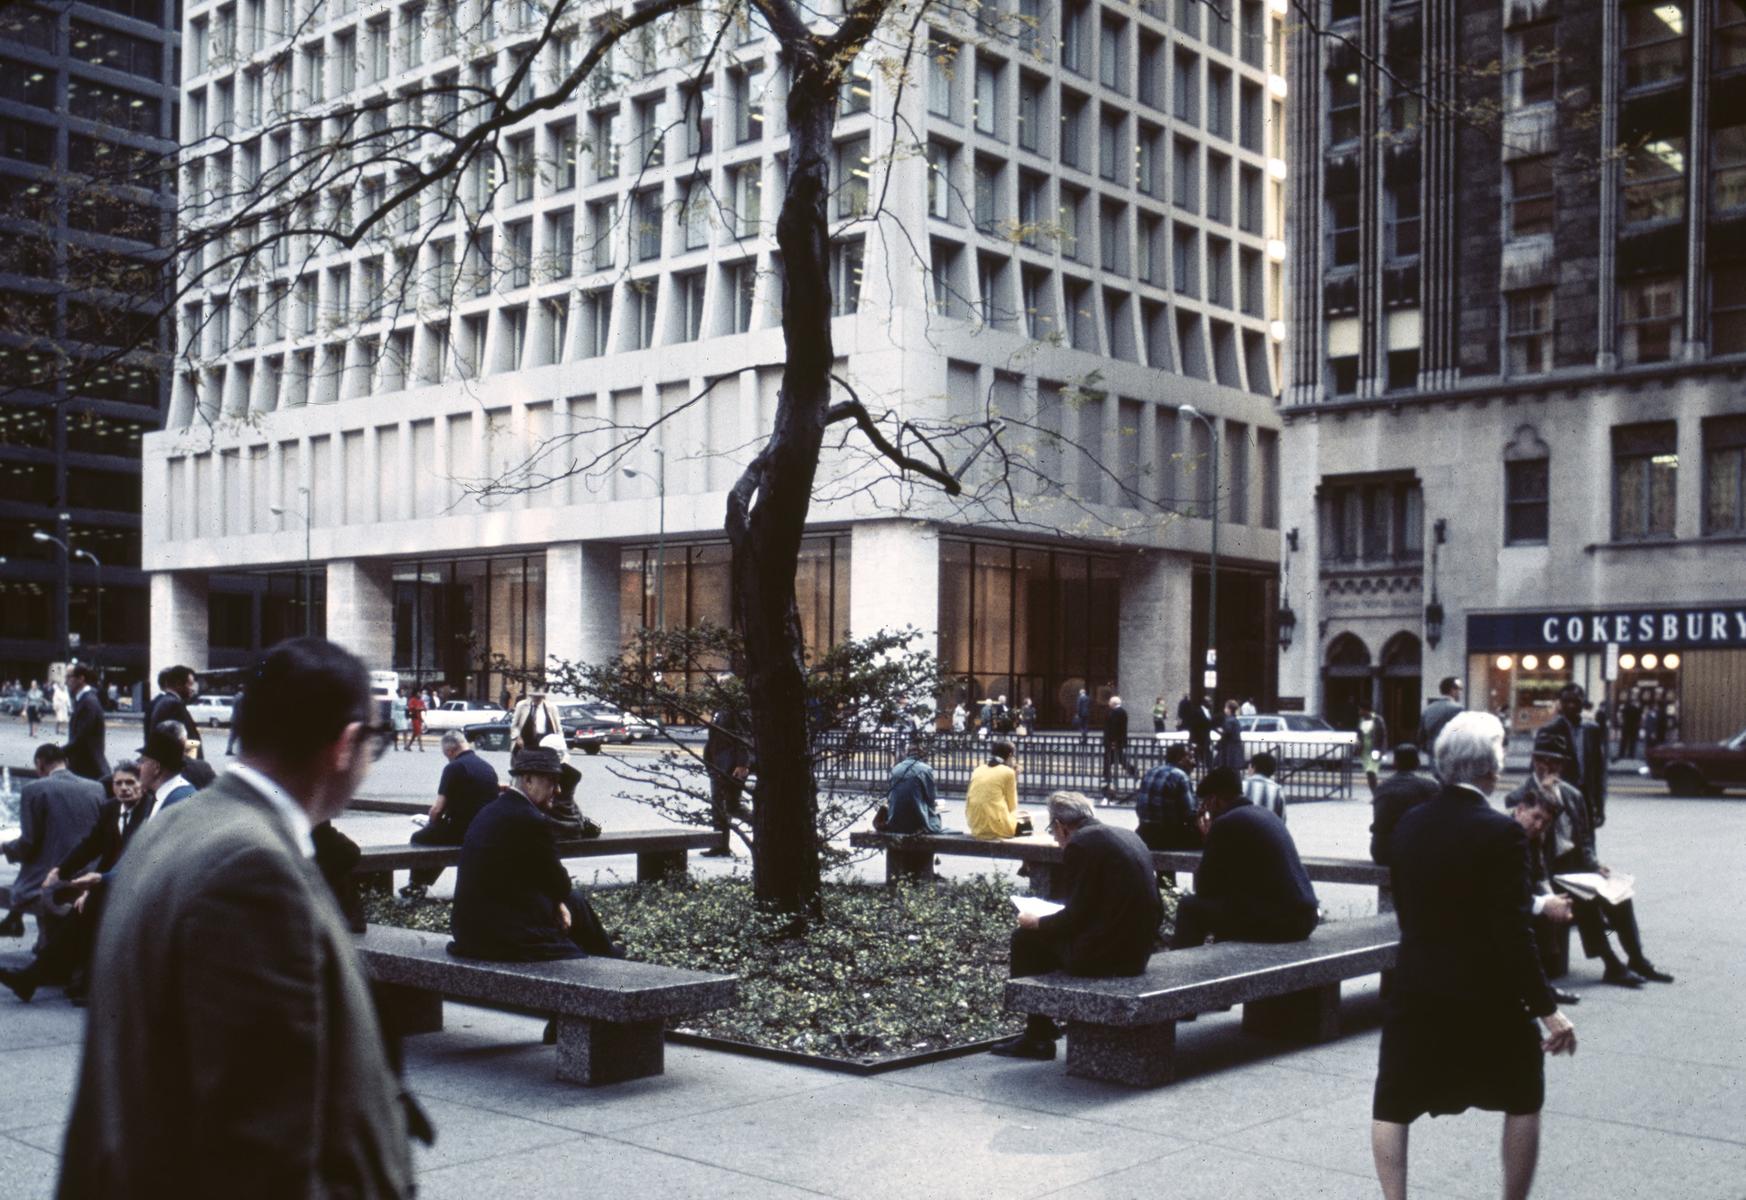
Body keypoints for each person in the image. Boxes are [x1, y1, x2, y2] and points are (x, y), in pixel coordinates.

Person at [58, 636, 422, 1197]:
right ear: (346, 745)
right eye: (377, 742)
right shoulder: (254, 871)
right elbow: (266, 1154)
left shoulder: (181, 827)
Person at [1372, 712, 1576, 1200]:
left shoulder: (1409, 826)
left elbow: (1406, 907)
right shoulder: (1501, 833)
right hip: (1486, 996)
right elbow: (1512, 933)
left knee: (1393, 1101)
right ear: (1490, 770)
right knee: (1523, 1093)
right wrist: (1550, 1012)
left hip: (1417, 986)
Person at [993, 792, 1163, 1059]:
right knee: (1044, 937)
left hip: (1107, 959)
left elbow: (1076, 916)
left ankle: (1037, 1036)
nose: (1054, 837)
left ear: (1061, 825)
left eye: (1052, 830)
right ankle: (1044, 1027)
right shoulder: (1125, 834)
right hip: (1138, 953)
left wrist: (1035, 921)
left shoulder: (1080, 844)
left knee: (1024, 939)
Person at [1508, 726, 1671, 988]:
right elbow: (1529, 839)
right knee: (1584, 902)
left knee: (1619, 896)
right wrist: (1548, 795)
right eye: (1543, 760)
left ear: (1562, 765)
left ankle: (1637, 958)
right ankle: (1611, 964)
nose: (1549, 767)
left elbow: (1584, 839)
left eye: (1556, 762)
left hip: (1574, 864)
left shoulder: (1572, 794)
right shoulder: (1518, 796)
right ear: (1534, 760)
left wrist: (1595, 865)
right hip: (1546, 869)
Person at [449, 747, 621, 965]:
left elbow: (543, 881)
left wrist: (558, 901)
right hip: (502, 937)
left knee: (573, 901)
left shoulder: (493, 809)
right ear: (528, 780)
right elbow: (558, 881)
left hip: (470, 930)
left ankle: (608, 955)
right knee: (578, 956)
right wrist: (559, 901)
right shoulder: (530, 819)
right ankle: (610, 960)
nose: (558, 790)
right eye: (552, 781)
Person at [2, 762, 150, 1005]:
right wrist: (59, 871)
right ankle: (55, 979)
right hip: (109, 882)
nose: (124, 788)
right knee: (78, 912)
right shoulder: (111, 809)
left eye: (130, 783)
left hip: (136, 884)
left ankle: (57, 980)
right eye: (118, 783)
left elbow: (134, 857)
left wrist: (96, 887)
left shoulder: (149, 811)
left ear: (141, 786)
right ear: (112, 786)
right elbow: (90, 846)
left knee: (86, 912)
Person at [1171, 767, 1319, 948]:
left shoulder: (1225, 823)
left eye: (1205, 804)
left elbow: (1204, 889)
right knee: (1229, 907)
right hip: (1305, 917)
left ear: (1214, 800)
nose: (1204, 809)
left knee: (1189, 907)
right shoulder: (1264, 814)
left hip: (1282, 923)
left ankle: (1180, 972)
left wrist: (1208, 838)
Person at [0, 743, 104, 951]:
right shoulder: (96, 787)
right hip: (90, 871)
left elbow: (28, 843)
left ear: (40, 764)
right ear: (66, 762)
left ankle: (23, 927)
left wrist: (5, 848)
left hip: (54, 878)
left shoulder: (33, 789)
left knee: (20, 886)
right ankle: (31, 933)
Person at [399, 729, 501, 900]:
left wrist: (431, 824)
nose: (447, 758)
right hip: (485, 830)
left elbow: (438, 809)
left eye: (446, 754)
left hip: (462, 832)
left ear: (451, 751)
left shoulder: (454, 767)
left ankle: (416, 885)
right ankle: (422, 884)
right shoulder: (487, 767)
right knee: (437, 838)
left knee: (419, 838)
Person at [1543, 683, 1608, 830]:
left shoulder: (1592, 730)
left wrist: (1600, 805)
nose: (1571, 706)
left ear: (1582, 702)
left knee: (1587, 847)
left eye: (1576, 701)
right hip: (1560, 799)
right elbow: (1538, 770)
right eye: (1567, 701)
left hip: (1586, 798)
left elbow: (1599, 772)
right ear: (1560, 703)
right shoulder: (1549, 730)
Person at [1369, 744, 1440, 866]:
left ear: (1395, 763)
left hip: (1382, 851)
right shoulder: (1430, 787)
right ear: (1417, 762)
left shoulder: (1382, 787)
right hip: (1414, 851)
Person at [703, 688, 752, 855]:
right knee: (720, 805)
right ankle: (720, 845)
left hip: (731, 766)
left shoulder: (735, 710)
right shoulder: (719, 709)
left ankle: (763, 826)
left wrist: (742, 763)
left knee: (731, 805)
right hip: (717, 764)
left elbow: (743, 738)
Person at [1133, 743, 1198, 852]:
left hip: (1143, 832)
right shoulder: (1181, 776)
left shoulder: (1151, 771)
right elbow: (1189, 814)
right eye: (1190, 757)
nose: (1194, 762)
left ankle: (1165, 870)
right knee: (1209, 839)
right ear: (1179, 758)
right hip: (1166, 835)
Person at [965, 740, 1023, 839]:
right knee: (1027, 818)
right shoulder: (1008, 772)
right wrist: (1015, 777)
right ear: (1010, 755)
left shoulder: (978, 769)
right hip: (998, 828)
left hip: (975, 827)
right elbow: (1012, 806)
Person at [882, 741, 942, 834]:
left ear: (907, 753)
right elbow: (931, 797)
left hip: (895, 819)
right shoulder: (926, 769)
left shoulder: (896, 768)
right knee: (936, 818)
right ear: (922, 754)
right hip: (917, 820)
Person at [62, 664, 109, 781]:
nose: (66, 681)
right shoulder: (84, 699)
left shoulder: (88, 702)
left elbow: (81, 738)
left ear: (81, 679)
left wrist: (57, 753)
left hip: (88, 768)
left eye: (69, 677)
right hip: (85, 766)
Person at [138, 722, 198, 812]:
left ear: (156, 768)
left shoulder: (178, 802)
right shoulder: (166, 795)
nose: (138, 767)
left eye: (142, 762)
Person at [144, 664, 200, 747]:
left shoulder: (168, 701)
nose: (193, 689)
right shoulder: (173, 704)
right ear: (178, 684)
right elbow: (176, 741)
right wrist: (195, 743)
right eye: (190, 684)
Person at [1415, 676, 1464, 771]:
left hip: (1433, 752)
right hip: (1451, 753)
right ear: (1452, 690)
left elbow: (1421, 734)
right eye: (1459, 689)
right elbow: (1458, 731)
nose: (1460, 693)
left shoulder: (1429, 709)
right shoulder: (1457, 708)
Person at [1101, 694, 1134, 788]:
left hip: (1114, 741)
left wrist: (1113, 741)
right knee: (1113, 758)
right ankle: (1107, 775)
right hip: (1115, 741)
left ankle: (1132, 771)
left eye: (1110, 702)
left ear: (1114, 703)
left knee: (1114, 758)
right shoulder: (1119, 711)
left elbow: (1115, 729)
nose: (1108, 703)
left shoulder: (1117, 712)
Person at [1243, 751, 1285, 821]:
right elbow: (1281, 820)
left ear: (1253, 767)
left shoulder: (1242, 785)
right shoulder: (1277, 790)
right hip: (1267, 830)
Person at [1357, 700, 1388, 792]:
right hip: (1364, 751)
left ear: (1366, 710)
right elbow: (1358, 734)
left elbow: (1383, 735)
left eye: (1360, 710)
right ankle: (1374, 793)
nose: (1359, 712)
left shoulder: (1378, 719)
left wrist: (1382, 750)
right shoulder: (1361, 720)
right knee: (1368, 773)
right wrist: (1355, 743)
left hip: (1375, 749)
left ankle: (1376, 793)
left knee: (1371, 772)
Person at [1179, 693, 1212, 765]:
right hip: (1199, 738)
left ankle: (1206, 767)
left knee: (1206, 755)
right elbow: (1194, 725)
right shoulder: (1197, 711)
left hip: (1206, 737)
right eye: (1209, 701)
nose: (1211, 703)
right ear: (1204, 702)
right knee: (1197, 755)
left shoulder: (1209, 712)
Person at [1213, 699, 1245, 772]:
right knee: (1234, 770)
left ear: (1229, 709)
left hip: (1229, 748)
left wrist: (1217, 730)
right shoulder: (1235, 720)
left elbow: (1227, 733)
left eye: (1226, 707)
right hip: (1235, 747)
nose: (1224, 709)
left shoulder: (1229, 720)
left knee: (1227, 769)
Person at [1615, 693, 1642, 761]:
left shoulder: (1625, 708)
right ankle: (1631, 755)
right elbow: (1639, 718)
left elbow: (1621, 715)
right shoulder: (1637, 709)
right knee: (1632, 742)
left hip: (1626, 726)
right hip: (1633, 727)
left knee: (1624, 741)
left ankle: (1621, 754)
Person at [390, 686, 410, 751]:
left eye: (403, 692)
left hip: (403, 715)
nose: (403, 693)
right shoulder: (395, 700)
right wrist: (392, 719)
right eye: (402, 692)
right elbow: (393, 709)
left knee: (405, 730)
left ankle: (405, 745)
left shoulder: (405, 699)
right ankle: (395, 746)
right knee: (396, 731)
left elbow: (406, 707)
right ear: (398, 693)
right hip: (397, 715)